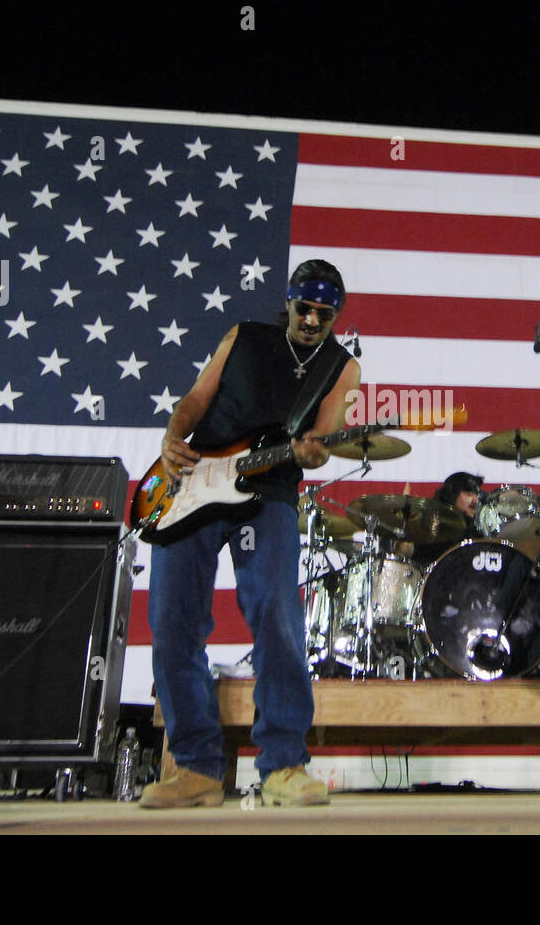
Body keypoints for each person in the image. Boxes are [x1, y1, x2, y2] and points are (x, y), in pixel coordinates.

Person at [141, 260, 361, 808]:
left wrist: (313, 450)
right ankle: (196, 770)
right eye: (304, 308)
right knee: (172, 622)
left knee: (277, 617)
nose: (312, 321)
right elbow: (196, 400)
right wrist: (172, 439)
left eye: (324, 314)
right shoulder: (243, 336)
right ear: (288, 302)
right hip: (193, 484)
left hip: (269, 493)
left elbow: (324, 435)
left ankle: (284, 765)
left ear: (336, 315)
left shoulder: (341, 367)